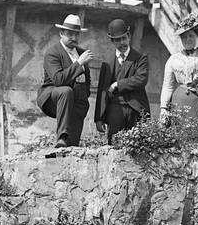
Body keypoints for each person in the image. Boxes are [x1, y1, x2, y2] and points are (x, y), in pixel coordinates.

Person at [37, 13, 91, 147]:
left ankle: (70, 146)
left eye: (77, 34)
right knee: (65, 91)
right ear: (61, 33)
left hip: (76, 100)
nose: (74, 38)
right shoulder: (53, 52)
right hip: (53, 97)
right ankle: (61, 136)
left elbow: (87, 80)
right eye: (70, 34)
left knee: (73, 145)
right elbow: (58, 80)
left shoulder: (81, 52)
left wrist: (84, 96)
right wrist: (79, 64)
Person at [95, 16, 150, 141]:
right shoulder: (107, 63)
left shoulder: (141, 58)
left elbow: (141, 79)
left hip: (136, 109)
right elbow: (102, 90)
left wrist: (116, 85)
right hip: (115, 109)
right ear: (112, 41)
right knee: (114, 146)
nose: (122, 43)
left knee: (138, 147)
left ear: (129, 36)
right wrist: (99, 118)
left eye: (124, 38)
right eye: (117, 40)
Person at [159, 11, 198, 138]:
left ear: (197, 36)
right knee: (179, 136)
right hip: (179, 101)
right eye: (184, 37)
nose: (188, 40)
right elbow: (168, 86)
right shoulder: (173, 59)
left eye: (191, 36)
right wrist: (164, 108)